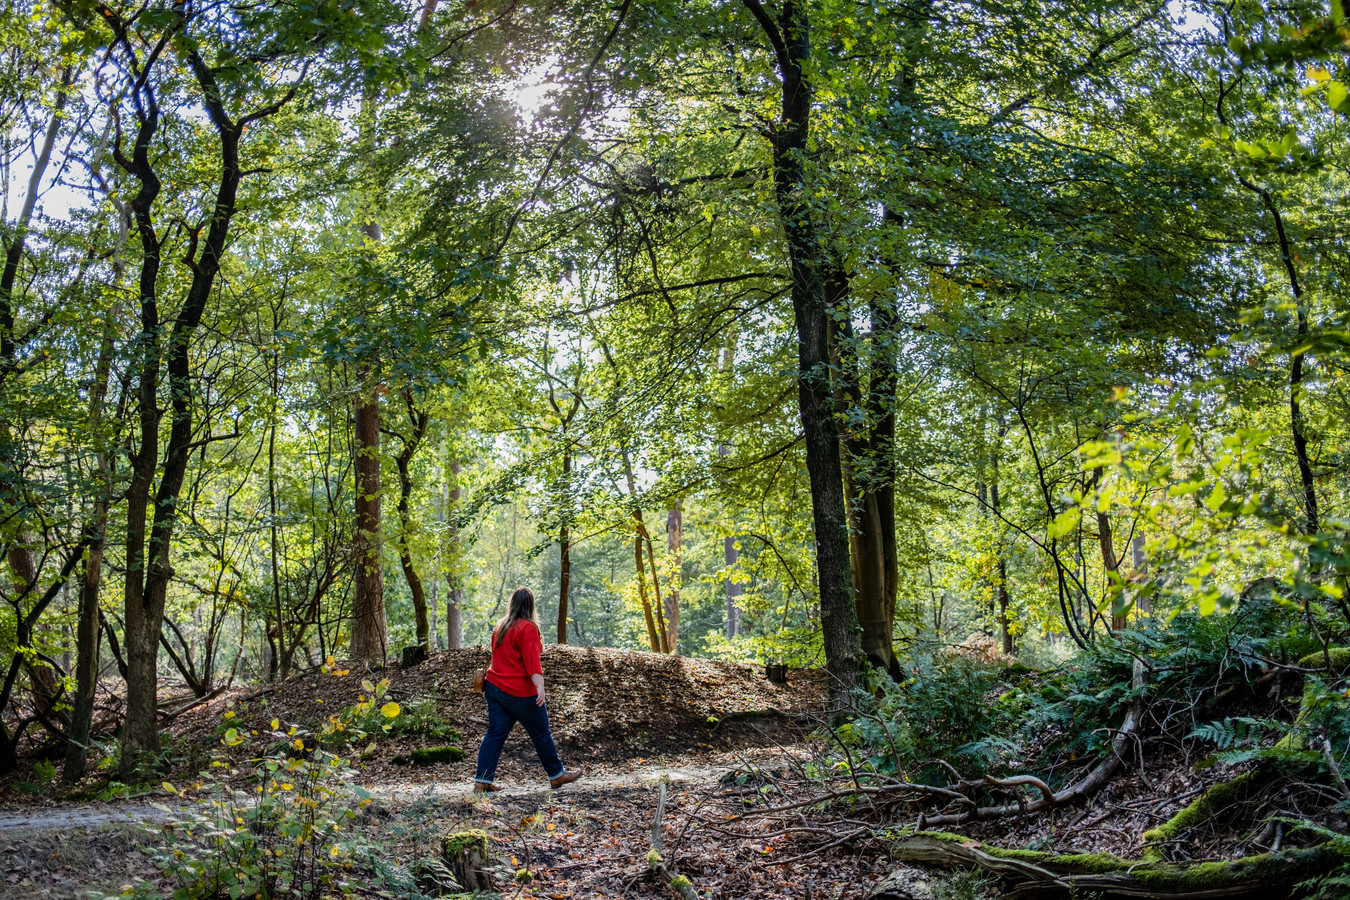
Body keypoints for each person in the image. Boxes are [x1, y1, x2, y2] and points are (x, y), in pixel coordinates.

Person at [473, 586, 580, 791]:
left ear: (512, 604)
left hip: (495, 688)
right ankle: (557, 775)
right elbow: (532, 662)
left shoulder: (500, 626)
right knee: (541, 733)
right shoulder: (528, 628)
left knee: (494, 734)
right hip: (519, 691)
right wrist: (540, 687)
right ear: (531, 605)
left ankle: (482, 781)